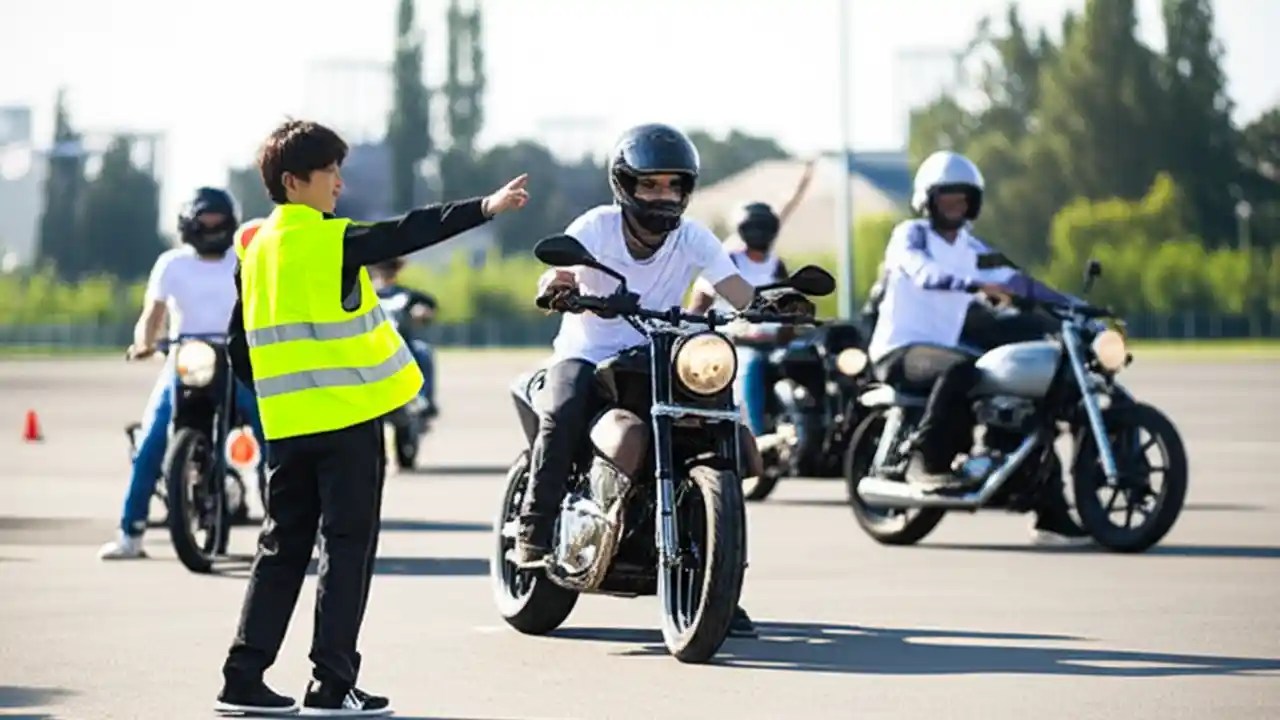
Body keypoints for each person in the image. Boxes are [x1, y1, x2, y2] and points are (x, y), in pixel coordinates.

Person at [215, 119, 529, 718]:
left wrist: (280, 396)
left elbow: (239, 346)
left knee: (280, 548)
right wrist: (486, 207)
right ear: (293, 180)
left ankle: (243, 678)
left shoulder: (253, 249)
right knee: (347, 547)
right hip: (350, 420)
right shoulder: (331, 240)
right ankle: (332, 685)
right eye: (330, 171)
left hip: (286, 424)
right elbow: (407, 231)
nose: (339, 182)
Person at [518, 123, 809, 638]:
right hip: (589, 353)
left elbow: (737, 290)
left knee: (725, 435)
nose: (663, 195)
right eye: (651, 184)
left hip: (661, 354)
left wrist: (773, 303)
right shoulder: (598, 226)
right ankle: (534, 534)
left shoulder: (693, 236)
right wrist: (558, 289)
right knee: (562, 413)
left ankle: (717, 588)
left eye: (674, 185)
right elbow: (557, 273)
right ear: (625, 185)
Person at [866, 149, 1088, 545]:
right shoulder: (912, 234)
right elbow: (922, 270)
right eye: (947, 197)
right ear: (928, 200)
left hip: (944, 351)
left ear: (973, 203)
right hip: (900, 349)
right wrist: (971, 285)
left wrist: (1076, 307)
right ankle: (928, 461)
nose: (955, 205)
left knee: (1026, 397)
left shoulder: (975, 249)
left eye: (962, 198)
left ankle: (1050, 512)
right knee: (962, 369)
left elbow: (1021, 282)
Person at [98, 187, 264, 561]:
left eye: (219, 221)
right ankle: (130, 533)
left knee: (271, 435)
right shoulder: (172, 264)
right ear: (189, 224)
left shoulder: (244, 260)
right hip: (185, 361)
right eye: (205, 221)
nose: (212, 228)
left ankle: (290, 528)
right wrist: (143, 343)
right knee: (152, 442)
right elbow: (152, 317)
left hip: (237, 361)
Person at [687, 161, 815, 436]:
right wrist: (691, 329)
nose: (761, 234)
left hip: (774, 343)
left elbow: (789, 304)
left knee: (812, 358)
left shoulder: (776, 265)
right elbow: (699, 302)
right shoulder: (728, 260)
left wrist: (794, 325)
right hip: (735, 342)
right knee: (751, 366)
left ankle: (815, 431)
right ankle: (753, 434)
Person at [369, 258, 439, 417]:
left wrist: (421, 313)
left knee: (423, 352)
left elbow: (430, 305)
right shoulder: (366, 294)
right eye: (383, 268)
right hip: (373, 347)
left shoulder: (406, 294)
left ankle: (423, 398)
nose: (387, 273)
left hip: (403, 345)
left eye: (391, 269)